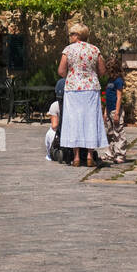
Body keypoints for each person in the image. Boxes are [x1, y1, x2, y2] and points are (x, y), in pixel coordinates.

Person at [57, 22, 108, 167]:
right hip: (91, 88)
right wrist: (91, 74)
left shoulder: (68, 50)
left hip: (73, 89)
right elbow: (102, 70)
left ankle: (77, 157)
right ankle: (90, 155)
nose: (70, 37)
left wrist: (71, 76)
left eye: (72, 34)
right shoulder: (94, 49)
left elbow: (61, 71)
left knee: (74, 121)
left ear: (78, 35)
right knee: (91, 120)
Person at [102, 57, 127, 164]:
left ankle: (120, 154)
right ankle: (109, 154)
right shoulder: (109, 80)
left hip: (115, 110)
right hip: (109, 110)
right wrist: (105, 112)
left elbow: (119, 97)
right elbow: (107, 97)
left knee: (118, 133)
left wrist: (117, 113)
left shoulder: (118, 81)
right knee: (109, 132)